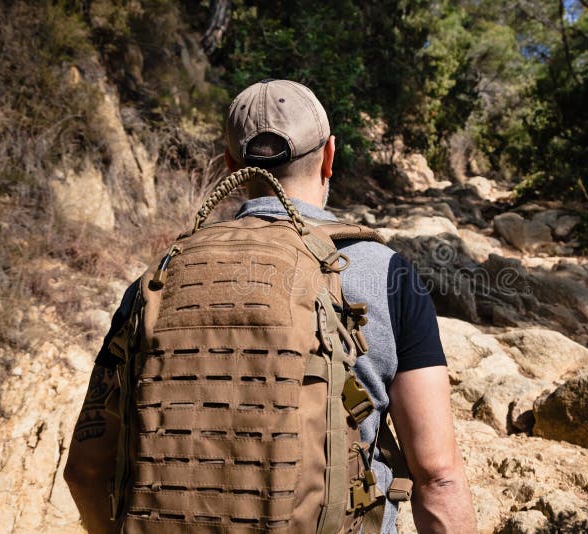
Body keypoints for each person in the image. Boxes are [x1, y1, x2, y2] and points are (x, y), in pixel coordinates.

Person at [64, 79, 477, 533]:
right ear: (330, 157)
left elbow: (86, 468)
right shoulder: (386, 272)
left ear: (229, 165)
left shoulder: (159, 275)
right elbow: (438, 475)